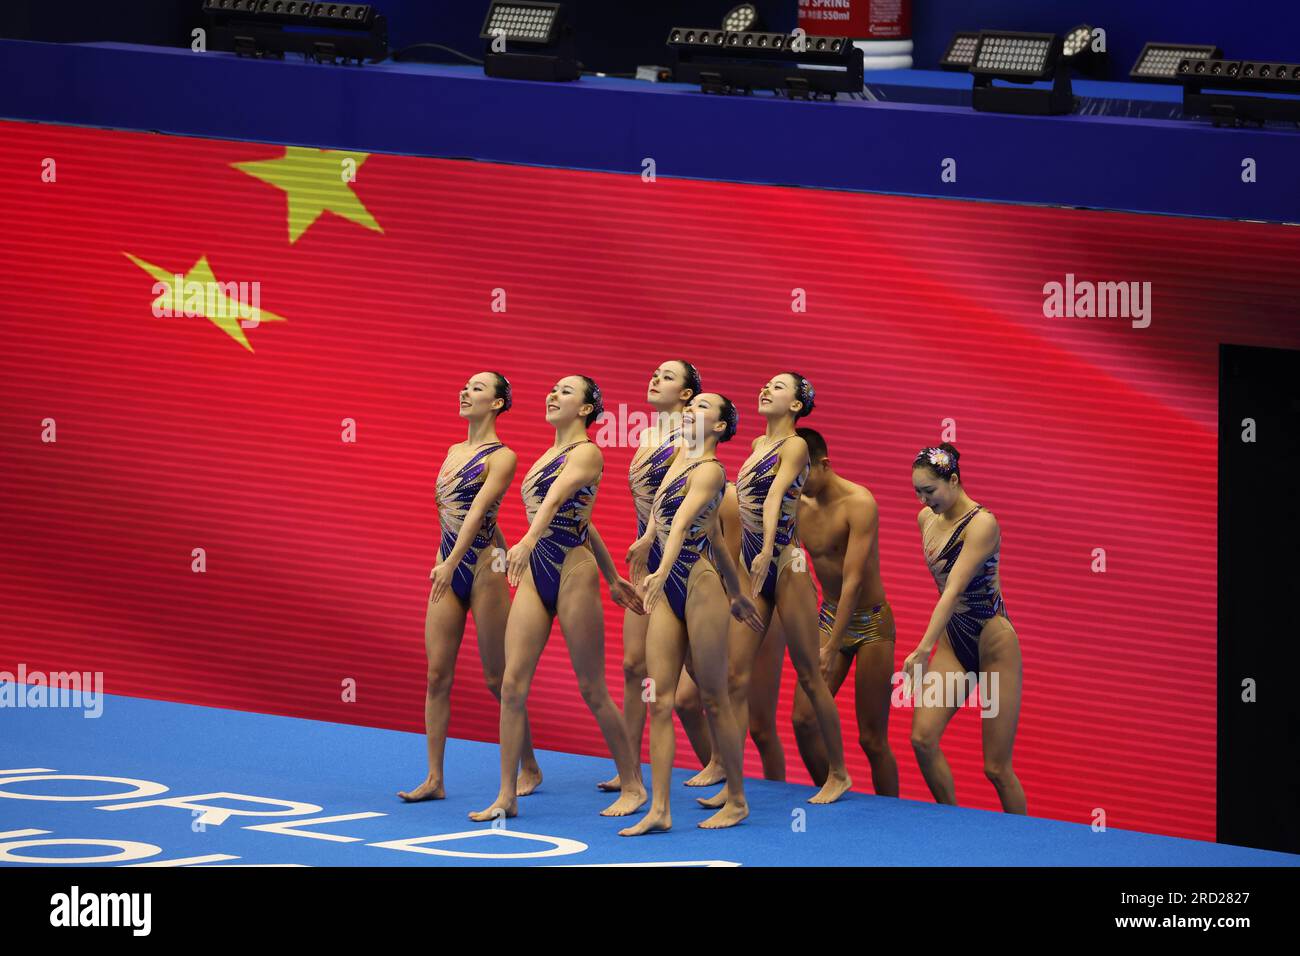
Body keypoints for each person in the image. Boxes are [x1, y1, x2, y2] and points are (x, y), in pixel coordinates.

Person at [469, 375, 647, 821]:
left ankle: (633, 785)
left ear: (586, 409)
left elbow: (554, 503)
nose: (553, 395)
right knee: (511, 685)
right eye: (552, 390)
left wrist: (529, 539)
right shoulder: (544, 456)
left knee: (591, 687)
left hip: (571, 570)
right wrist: (614, 577)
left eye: (566, 392)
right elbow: (585, 521)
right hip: (535, 575)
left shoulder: (587, 452)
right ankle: (507, 793)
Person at [400, 372, 543, 802]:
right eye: (464, 386)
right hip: (449, 564)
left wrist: (454, 563)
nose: (465, 392)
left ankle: (530, 766)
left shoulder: (503, 456)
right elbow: (452, 515)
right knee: (437, 675)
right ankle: (435, 779)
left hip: (481, 570)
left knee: (498, 678)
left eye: (478, 388)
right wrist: (443, 562)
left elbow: (481, 511)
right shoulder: (452, 451)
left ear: (498, 403)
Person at [904, 443, 1025, 813]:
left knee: (996, 768)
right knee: (923, 739)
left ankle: (1026, 847)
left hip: (993, 644)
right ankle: (951, 820)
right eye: (918, 492)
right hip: (955, 641)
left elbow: (954, 589)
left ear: (953, 480)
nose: (924, 501)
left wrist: (923, 648)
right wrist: (934, 643)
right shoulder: (927, 519)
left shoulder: (982, 524)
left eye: (930, 491)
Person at [789, 427, 898, 796]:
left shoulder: (859, 503)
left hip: (870, 624)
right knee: (803, 719)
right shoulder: (797, 503)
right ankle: (836, 789)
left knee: (871, 739)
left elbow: (852, 580)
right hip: (829, 614)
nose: (797, 481)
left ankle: (891, 820)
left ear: (824, 464)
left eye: (803, 472)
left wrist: (831, 647)